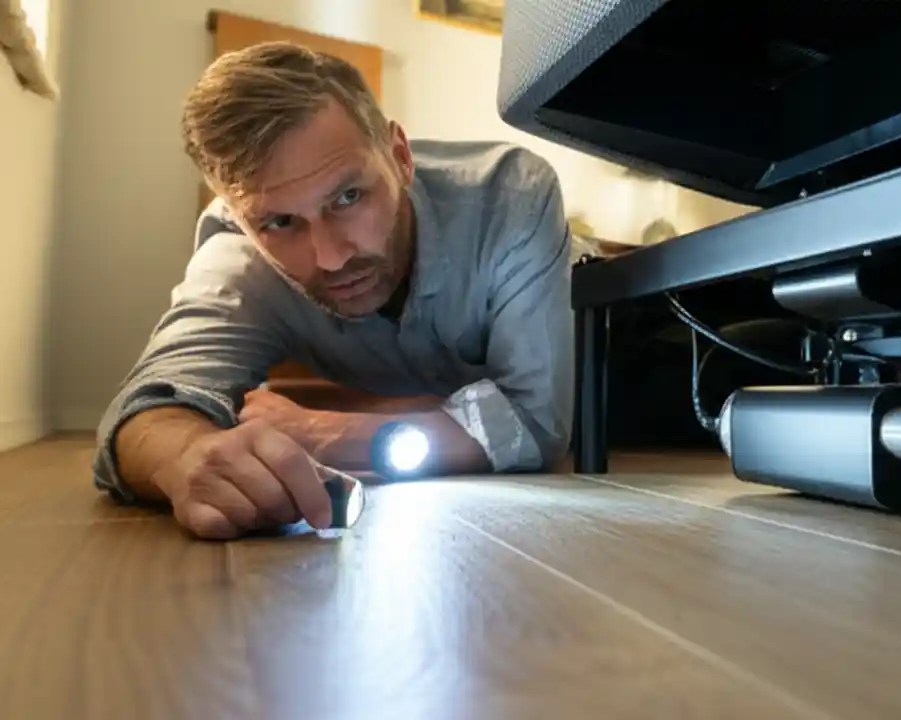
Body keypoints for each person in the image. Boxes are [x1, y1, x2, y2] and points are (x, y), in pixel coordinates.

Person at [91, 42, 574, 539]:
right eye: (279, 222)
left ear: (400, 157)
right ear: (238, 217)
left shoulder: (509, 198)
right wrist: (188, 456)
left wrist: (324, 433)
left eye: (348, 197)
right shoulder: (239, 255)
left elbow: (538, 421)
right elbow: (144, 411)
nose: (331, 257)